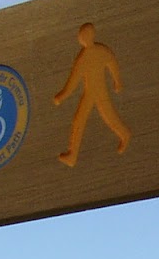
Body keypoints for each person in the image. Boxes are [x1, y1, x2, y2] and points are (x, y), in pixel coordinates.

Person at [54, 22, 131, 166]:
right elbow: (74, 81)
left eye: (84, 35)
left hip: (99, 93)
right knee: (79, 121)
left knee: (109, 117)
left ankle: (125, 135)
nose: (82, 38)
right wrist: (62, 96)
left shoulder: (97, 52)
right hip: (90, 94)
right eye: (81, 36)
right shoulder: (85, 57)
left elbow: (112, 62)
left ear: (90, 36)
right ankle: (72, 155)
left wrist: (117, 81)